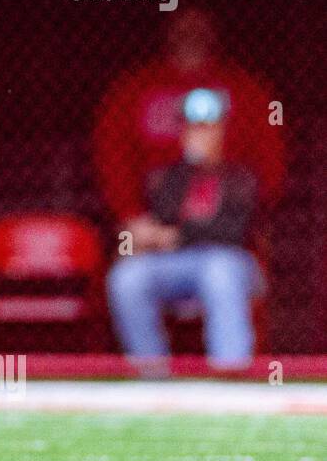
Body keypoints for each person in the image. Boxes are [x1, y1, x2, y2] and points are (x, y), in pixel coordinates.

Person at [106, 88, 261, 376]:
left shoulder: (241, 177)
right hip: (176, 263)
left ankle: (230, 371)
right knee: (128, 276)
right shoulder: (171, 177)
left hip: (227, 261)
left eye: (207, 127)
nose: (199, 134)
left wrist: (178, 235)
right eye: (192, 127)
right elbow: (162, 218)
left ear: (222, 130)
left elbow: (233, 232)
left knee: (220, 271)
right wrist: (146, 234)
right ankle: (152, 371)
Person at [93, 8, 284, 224]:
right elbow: (111, 155)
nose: (190, 30)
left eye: (198, 22)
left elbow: (270, 158)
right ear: (167, 28)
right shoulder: (134, 89)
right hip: (153, 224)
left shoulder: (245, 89)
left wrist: (257, 217)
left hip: (229, 221)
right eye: (182, 22)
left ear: (212, 29)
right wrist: (132, 216)